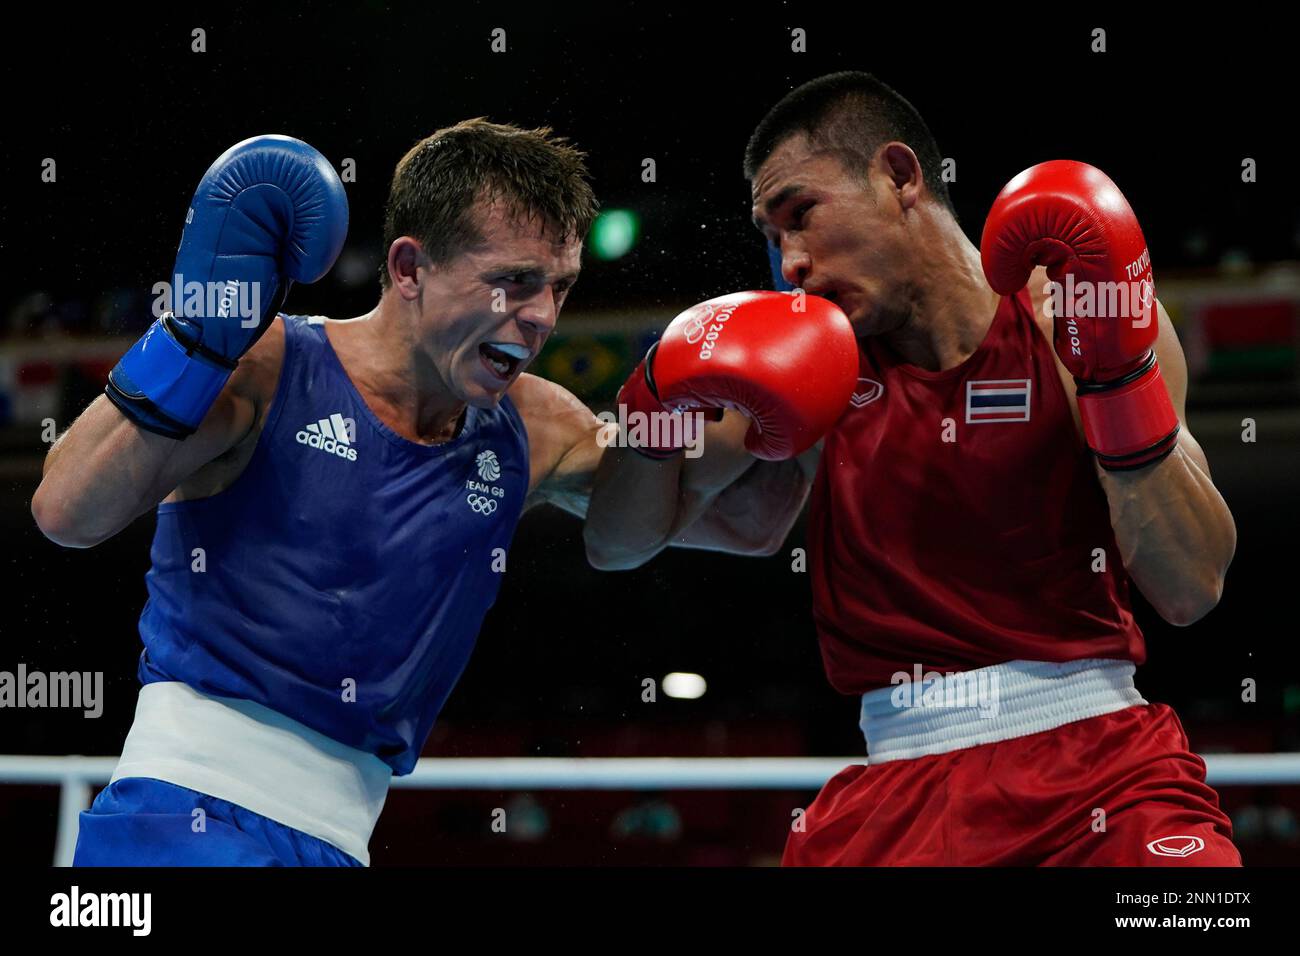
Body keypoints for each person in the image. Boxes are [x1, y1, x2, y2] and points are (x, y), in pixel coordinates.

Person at [584, 72, 1240, 865]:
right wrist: (652, 401)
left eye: (801, 216)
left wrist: (1116, 384)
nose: (787, 261)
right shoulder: (812, 369)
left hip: (1103, 776)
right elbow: (616, 543)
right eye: (771, 234)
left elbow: (1191, 587)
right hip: (896, 793)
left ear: (898, 176)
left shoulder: (1066, 317)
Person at [33, 120, 612, 866]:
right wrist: (194, 340)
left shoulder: (536, 423)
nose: (541, 317)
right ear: (410, 269)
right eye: (514, 281)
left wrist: (789, 353)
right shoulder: (270, 364)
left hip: (340, 839)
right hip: (183, 817)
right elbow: (65, 512)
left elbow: (712, 516)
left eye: (559, 287)